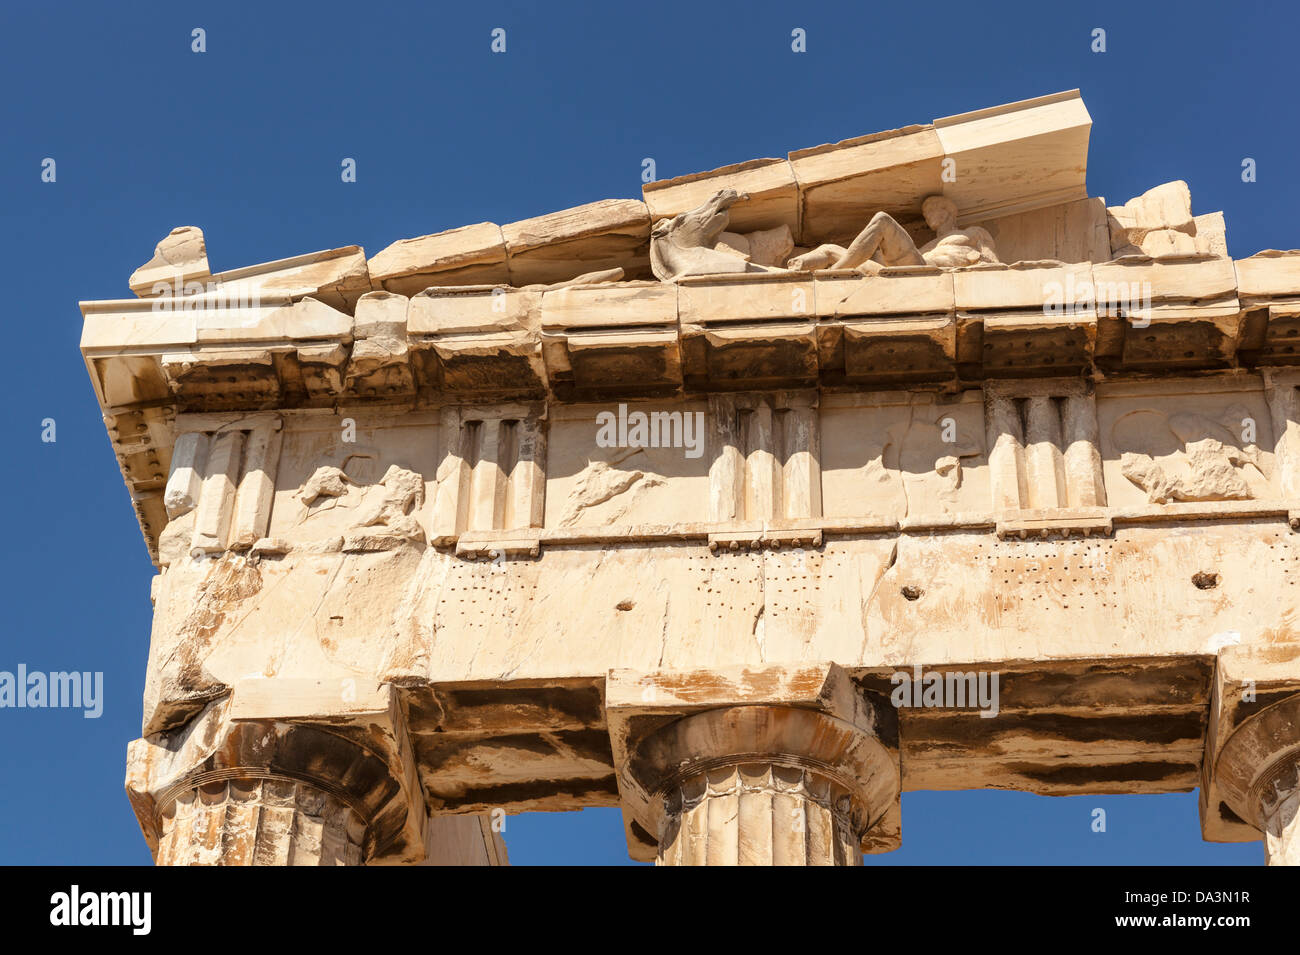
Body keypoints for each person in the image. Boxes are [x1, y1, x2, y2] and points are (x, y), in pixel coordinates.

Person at [789, 195, 998, 271]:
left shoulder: (973, 232)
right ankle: (793, 269)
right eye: (926, 212)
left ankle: (833, 275)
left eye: (934, 208)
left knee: (882, 221)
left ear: (950, 211)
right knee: (828, 248)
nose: (928, 215)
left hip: (924, 273)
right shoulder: (926, 248)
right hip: (906, 270)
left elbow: (994, 264)